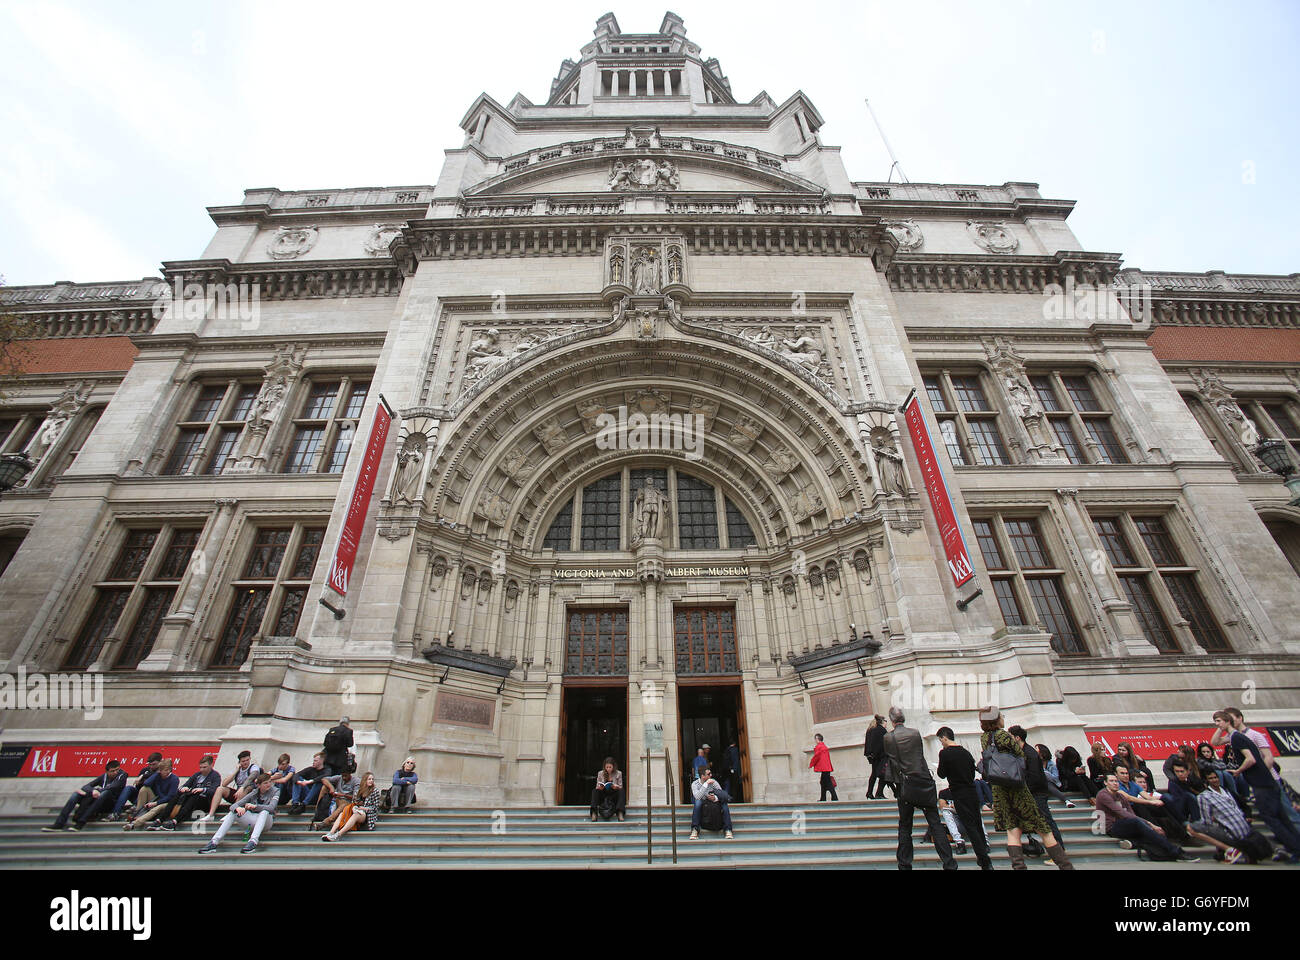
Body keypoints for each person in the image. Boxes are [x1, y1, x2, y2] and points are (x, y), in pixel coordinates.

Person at [979, 708, 1073, 870]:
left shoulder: (985, 738)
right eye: (1001, 716)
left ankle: (1019, 867)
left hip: (1000, 790)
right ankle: (1066, 866)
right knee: (1043, 828)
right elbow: (1020, 756)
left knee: (1013, 830)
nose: (1003, 718)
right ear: (996, 719)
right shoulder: (1003, 736)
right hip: (1016, 787)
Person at [1217, 709, 1300, 861]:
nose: (1217, 724)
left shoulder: (1240, 737)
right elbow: (1214, 742)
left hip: (1264, 782)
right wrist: (1220, 727)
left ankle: (1294, 849)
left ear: (1233, 720)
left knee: (1273, 817)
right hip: (1264, 782)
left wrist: (1238, 771)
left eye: (1219, 721)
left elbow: (1253, 759)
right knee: (1282, 817)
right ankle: (1295, 847)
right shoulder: (1235, 736)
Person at [883, 707, 955, 870]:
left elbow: (893, 762)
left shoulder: (888, 737)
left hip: (906, 785)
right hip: (923, 781)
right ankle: (949, 863)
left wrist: (895, 787)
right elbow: (918, 756)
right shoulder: (915, 733)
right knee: (935, 824)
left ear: (892, 720)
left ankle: (904, 863)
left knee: (905, 826)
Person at [1095, 773, 1197, 862]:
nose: (1115, 783)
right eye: (1111, 781)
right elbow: (1122, 813)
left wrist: (1150, 825)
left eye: (1116, 781)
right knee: (1140, 825)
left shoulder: (1121, 796)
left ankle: (1136, 843)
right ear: (1105, 783)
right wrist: (1150, 824)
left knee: (1146, 830)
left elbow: (1131, 814)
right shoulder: (1103, 795)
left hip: (1124, 824)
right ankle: (1176, 851)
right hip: (1111, 827)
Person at [1187, 770, 1273, 864]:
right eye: (1211, 778)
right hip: (1246, 830)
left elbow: (1206, 822)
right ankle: (1231, 852)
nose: (1214, 780)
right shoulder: (1224, 793)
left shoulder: (1202, 796)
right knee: (1221, 825)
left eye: (1215, 777)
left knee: (1191, 828)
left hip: (1234, 835)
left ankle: (1230, 850)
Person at [936, 727, 992, 870]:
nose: (941, 743)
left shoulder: (945, 753)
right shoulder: (965, 752)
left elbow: (941, 773)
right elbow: (972, 772)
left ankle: (984, 861)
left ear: (944, 738)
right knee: (977, 823)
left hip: (959, 792)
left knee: (970, 826)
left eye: (940, 739)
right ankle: (984, 854)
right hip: (972, 791)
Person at [1009, 725, 1064, 849]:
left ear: (1017, 738)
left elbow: (1034, 776)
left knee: (1046, 821)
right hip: (1032, 792)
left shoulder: (1030, 753)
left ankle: (1059, 848)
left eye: (1011, 736)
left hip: (1037, 793)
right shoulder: (1022, 752)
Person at [198, 772, 280, 854]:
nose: (269, 784)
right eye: (265, 783)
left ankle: (253, 842)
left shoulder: (275, 791)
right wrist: (238, 808)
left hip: (267, 821)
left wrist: (255, 806)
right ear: (259, 785)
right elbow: (233, 806)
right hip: (253, 820)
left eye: (270, 782)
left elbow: (271, 808)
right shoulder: (254, 792)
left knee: (264, 811)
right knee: (233, 812)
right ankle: (214, 842)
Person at [42, 760, 126, 832]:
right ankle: (59, 823)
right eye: (112, 771)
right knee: (76, 794)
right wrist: (92, 791)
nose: (115, 772)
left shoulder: (122, 775)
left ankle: (81, 822)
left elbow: (113, 787)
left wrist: (95, 791)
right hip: (98, 801)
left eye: (117, 770)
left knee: (105, 792)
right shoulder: (103, 777)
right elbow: (86, 786)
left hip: (111, 802)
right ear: (107, 772)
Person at [152, 755, 220, 830]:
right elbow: (185, 785)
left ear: (211, 765)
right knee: (178, 794)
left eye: (205, 767)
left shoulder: (215, 776)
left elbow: (214, 791)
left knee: (194, 795)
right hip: (192, 799)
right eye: (200, 767)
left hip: (205, 801)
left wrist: (202, 789)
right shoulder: (197, 775)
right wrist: (184, 788)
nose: (202, 770)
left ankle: (175, 821)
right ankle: (159, 820)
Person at [322, 771, 381, 842]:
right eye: (369, 779)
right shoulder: (359, 791)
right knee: (342, 813)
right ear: (364, 780)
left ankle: (338, 835)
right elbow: (353, 802)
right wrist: (355, 807)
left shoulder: (375, 791)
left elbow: (375, 808)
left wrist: (363, 808)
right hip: (357, 810)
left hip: (368, 815)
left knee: (356, 815)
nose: (371, 781)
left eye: (372, 779)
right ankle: (331, 833)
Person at [122, 759, 179, 830]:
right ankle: (138, 811)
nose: (167, 772)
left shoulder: (174, 778)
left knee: (156, 808)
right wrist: (155, 775)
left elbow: (170, 796)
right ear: (160, 771)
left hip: (167, 802)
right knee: (144, 789)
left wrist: (155, 803)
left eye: (169, 770)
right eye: (165, 770)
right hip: (157, 798)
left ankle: (135, 823)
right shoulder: (158, 776)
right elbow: (146, 783)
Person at [206, 750, 261, 820]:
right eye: (243, 761)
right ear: (239, 762)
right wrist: (236, 771)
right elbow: (224, 783)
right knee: (220, 789)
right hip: (238, 795)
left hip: (250, 795)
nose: (246, 762)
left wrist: (242, 787)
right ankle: (210, 814)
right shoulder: (238, 769)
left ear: (250, 759)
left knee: (247, 788)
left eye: (247, 760)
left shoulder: (254, 767)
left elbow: (252, 777)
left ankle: (230, 814)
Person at [108, 752, 163, 821]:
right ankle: (115, 813)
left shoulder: (163, 772)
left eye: (154, 764)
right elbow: (138, 786)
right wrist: (139, 782)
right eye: (150, 764)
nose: (151, 766)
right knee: (128, 788)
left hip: (153, 799)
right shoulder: (145, 770)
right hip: (140, 797)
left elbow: (149, 784)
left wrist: (143, 776)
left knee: (145, 788)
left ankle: (136, 809)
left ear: (160, 762)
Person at [689, 766, 734, 840]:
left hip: (714, 802)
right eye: (709, 774)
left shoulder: (713, 782)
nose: (711, 775)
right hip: (703, 803)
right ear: (703, 776)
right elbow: (697, 797)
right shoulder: (695, 784)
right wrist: (706, 784)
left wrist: (715, 798)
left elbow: (721, 794)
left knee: (724, 804)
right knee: (697, 803)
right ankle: (695, 829)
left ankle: (728, 829)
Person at [864, 715, 894, 800]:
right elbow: (883, 744)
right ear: (882, 722)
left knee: (874, 774)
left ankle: (870, 792)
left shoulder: (870, 730)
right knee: (883, 774)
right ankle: (879, 793)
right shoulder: (880, 730)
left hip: (873, 756)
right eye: (886, 721)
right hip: (881, 756)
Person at [590, 757, 626, 822]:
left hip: (613, 795)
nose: (608, 769)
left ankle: (620, 812)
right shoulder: (600, 773)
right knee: (594, 791)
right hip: (603, 795)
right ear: (604, 767)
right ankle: (594, 813)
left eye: (610, 767)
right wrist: (600, 787)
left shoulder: (618, 773)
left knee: (621, 791)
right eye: (607, 767)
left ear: (613, 767)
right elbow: (597, 786)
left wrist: (616, 786)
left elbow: (621, 786)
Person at [810, 733, 837, 801]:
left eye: (815, 739)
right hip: (827, 768)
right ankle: (823, 798)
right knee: (823, 783)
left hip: (824, 768)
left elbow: (816, 757)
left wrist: (811, 764)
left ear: (817, 739)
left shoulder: (819, 747)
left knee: (828, 783)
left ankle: (834, 797)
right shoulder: (824, 746)